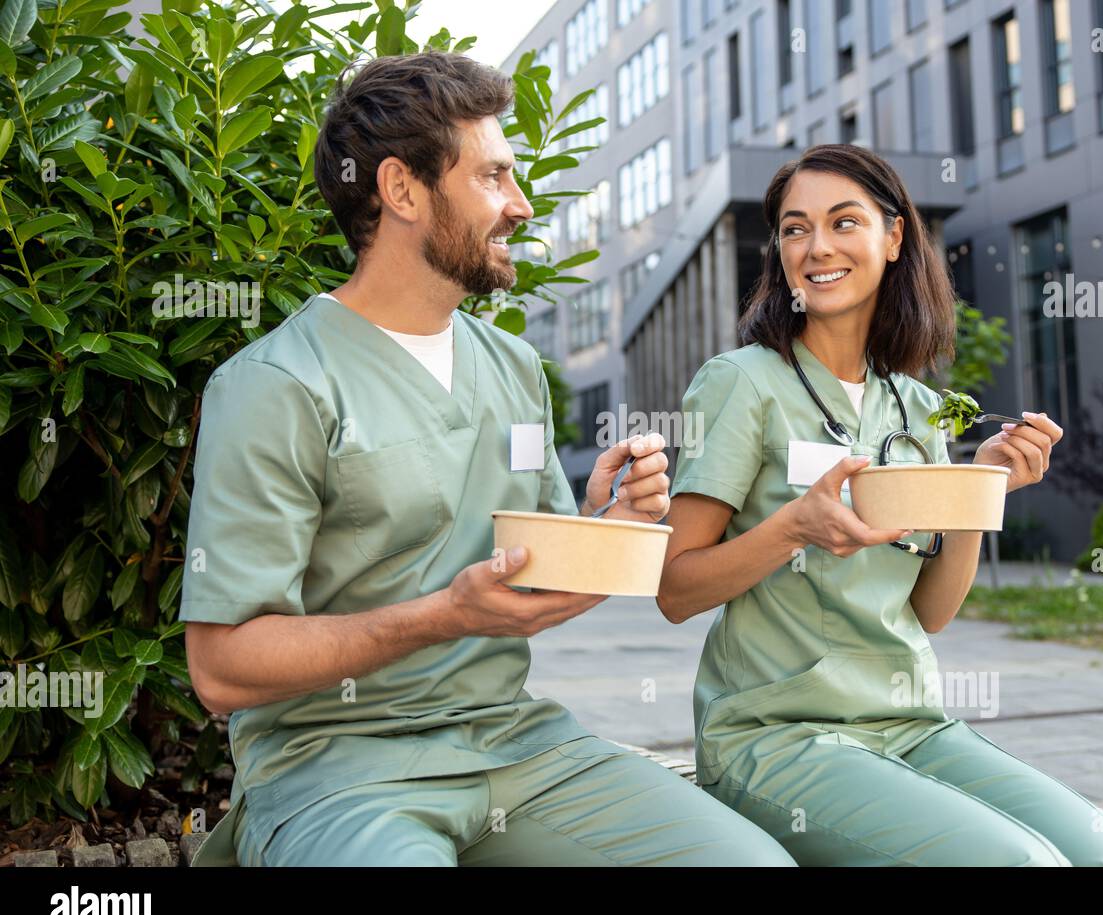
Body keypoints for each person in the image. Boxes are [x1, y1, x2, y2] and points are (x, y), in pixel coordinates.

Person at [180, 51, 794, 867]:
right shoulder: (275, 386)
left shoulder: (510, 368)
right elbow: (221, 669)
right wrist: (444, 615)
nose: (521, 204)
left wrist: (608, 527)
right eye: (494, 178)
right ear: (401, 189)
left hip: (517, 746)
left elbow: (528, 587)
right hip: (338, 767)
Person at [656, 144, 1103, 867]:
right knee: (1023, 864)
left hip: (911, 725)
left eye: (842, 222)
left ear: (894, 239)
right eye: (795, 229)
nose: (816, 247)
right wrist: (793, 528)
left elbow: (928, 615)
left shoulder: (920, 409)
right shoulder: (743, 384)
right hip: (777, 737)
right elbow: (674, 589)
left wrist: (979, 491)